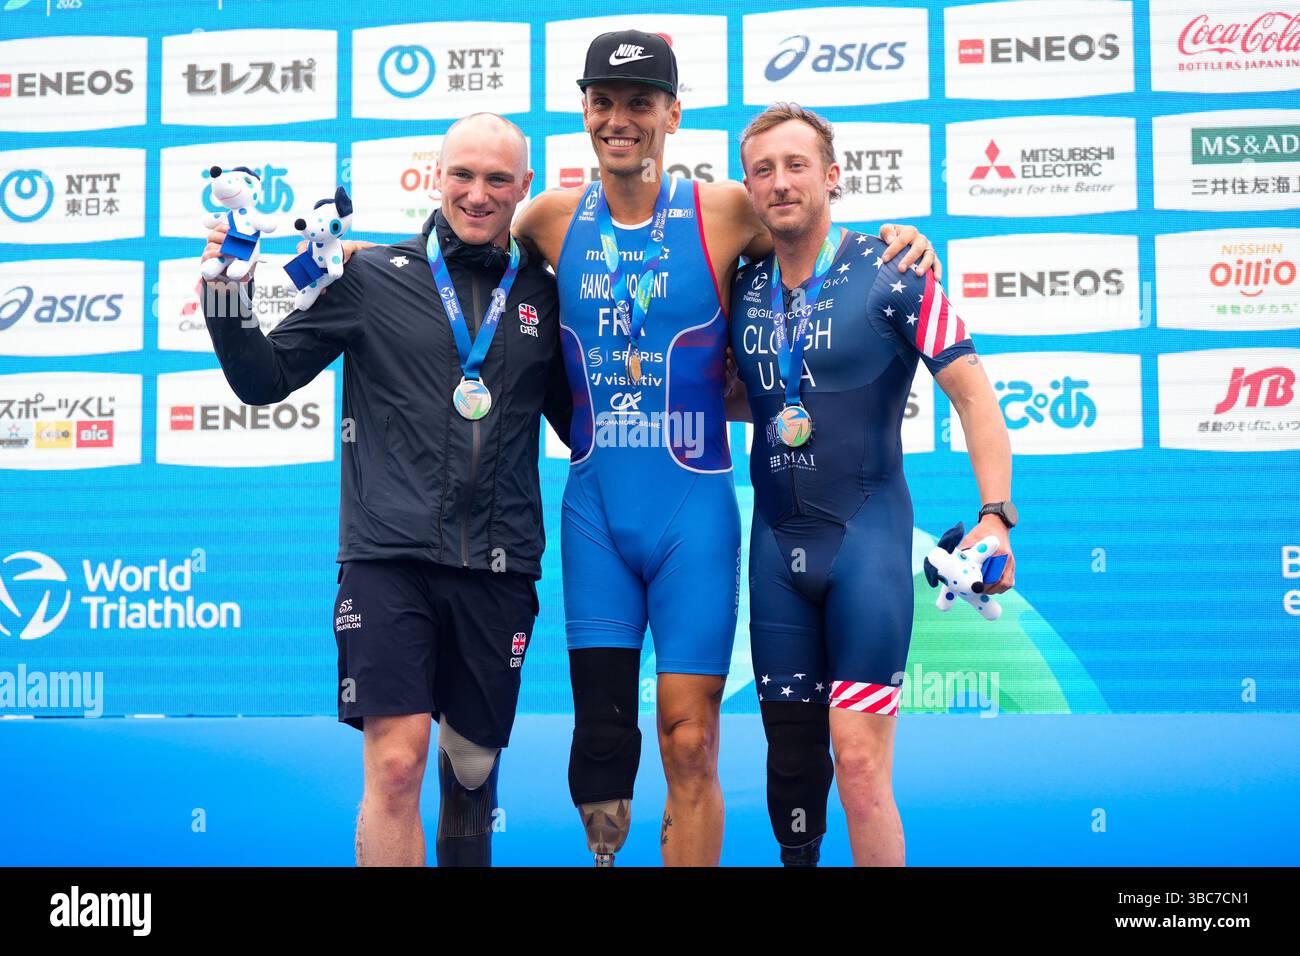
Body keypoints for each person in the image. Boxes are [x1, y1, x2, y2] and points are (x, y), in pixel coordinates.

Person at [510, 30, 939, 866]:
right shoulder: (548, 220)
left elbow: (816, 241)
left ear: (674, 113)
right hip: (594, 509)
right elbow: (471, 266)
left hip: (692, 515)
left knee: (690, 740)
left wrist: (905, 241)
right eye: (603, 101)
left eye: (639, 102)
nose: (620, 119)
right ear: (584, 111)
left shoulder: (727, 210)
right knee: (601, 751)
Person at [198, 113, 572, 867]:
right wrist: (227, 296)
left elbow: (584, 420)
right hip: (387, 558)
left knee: (470, 767)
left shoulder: (546, 294)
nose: (477, 193)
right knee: (397, 766)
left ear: (523, 188)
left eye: (498, 179)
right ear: (435, 176)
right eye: (462, 174)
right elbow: (261, 379)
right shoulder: (369, 275)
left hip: (499, 567)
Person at [727, 103, 1018, 866]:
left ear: (832, 176)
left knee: (858, 767)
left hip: (868, 544)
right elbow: (743, 391)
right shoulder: (743, 286)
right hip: (776, 552)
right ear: (749, 189)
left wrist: (995, 518)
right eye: (764, 170)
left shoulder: (899, 271)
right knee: (791, 772)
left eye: (797, 165)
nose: (780, 182)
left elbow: (974, 396)